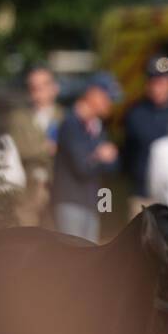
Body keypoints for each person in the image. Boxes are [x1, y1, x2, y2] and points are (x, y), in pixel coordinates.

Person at [51, 72, 120, 242]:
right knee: (74, 260)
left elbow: (113, 167)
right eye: (107, 98)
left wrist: (100, 157)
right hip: (71, 202)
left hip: (92, 203)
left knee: (89, 259)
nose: (110, 104)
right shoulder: (71, 124)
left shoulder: (97, 127)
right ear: (92, 94)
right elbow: (82, 167)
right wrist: (100, 156)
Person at [6, 65, 64, 225]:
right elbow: (18, 150)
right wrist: (48, 148)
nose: (37, 90)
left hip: (58, 188)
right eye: (33, 86)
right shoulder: (18, 118)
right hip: (28, 188)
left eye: (43, 85)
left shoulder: (66, 117)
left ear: (54, 88)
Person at [122, 55, 168, 201]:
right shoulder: (135, 113)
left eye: (162, 82)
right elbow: (128, 154)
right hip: (142, 194)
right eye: (152, 82)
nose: (157, 88)